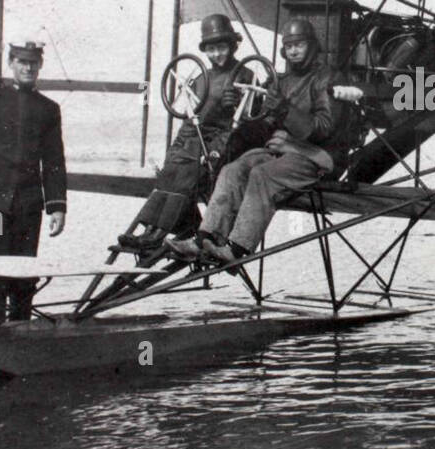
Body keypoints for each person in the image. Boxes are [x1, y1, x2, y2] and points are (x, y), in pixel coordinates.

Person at [164, 18, 342, 265]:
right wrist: (239, 105)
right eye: (289, 46)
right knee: (232, 170)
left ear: (311, 45)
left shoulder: (326, 78)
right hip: (280, 149)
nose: (293, 50)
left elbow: (325, 128)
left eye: (299, 44)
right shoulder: (280, 81)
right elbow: (262, 126)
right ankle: (203, 240)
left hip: (312, 156)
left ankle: (236, 250)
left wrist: (284, 110)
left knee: (261, 175)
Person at [120, 13, 259, 251]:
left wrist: (216, 149)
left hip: (226, 145)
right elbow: (190, 120)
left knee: (186, 170)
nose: (217, 54)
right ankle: (151, 228)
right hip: (197, 141)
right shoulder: (201, 78)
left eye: (222, 47)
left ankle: (159, 234)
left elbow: (247, 124)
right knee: (171, 168)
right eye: (212, 49)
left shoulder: (244, 76)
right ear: (205, 50)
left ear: (232, 45)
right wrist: (174, 149)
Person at [0, 40, 66, 323]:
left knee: (23, 276)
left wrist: (57, 207)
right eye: (22, 61)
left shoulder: (48, 109)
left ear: (40, 65)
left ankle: (19, 338)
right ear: (11, 63)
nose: (28, 67)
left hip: (28, 210)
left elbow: (54, 160)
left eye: (33, 62)